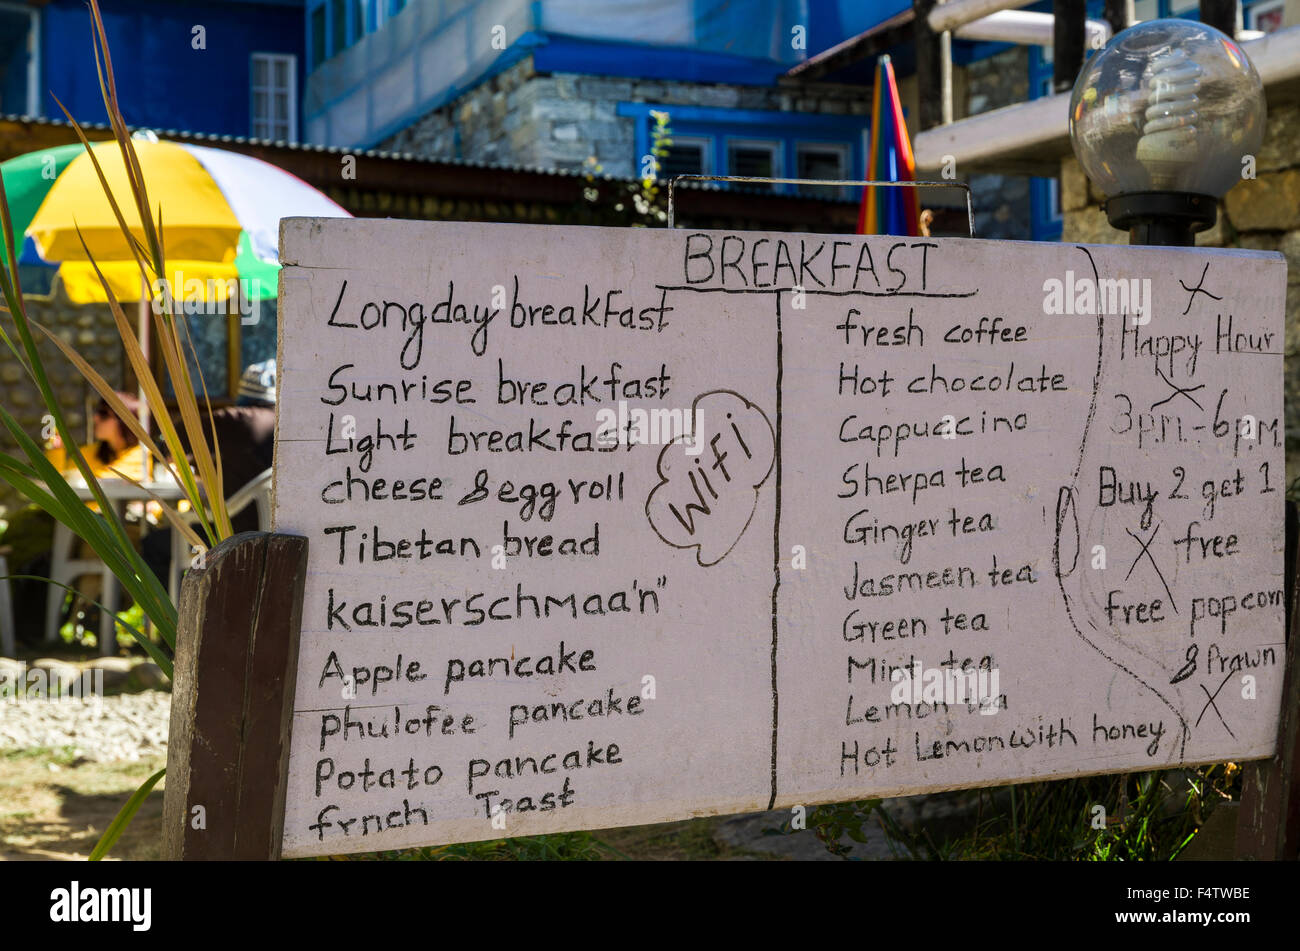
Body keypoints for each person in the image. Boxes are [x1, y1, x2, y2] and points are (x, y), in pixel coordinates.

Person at [141, 360, 277, 585]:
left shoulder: (237, 419)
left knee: (154, 545)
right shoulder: (292, 425)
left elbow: (173, 440)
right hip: (284, 534)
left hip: (232, 534)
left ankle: (172, 616)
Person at [44, 392, 147, 482]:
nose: (95, 418)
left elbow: (117, 480)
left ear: (124, 421)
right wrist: (56, 451)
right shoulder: (86, 454)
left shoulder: (143, 455)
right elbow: (60, 484)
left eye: (104, 414)